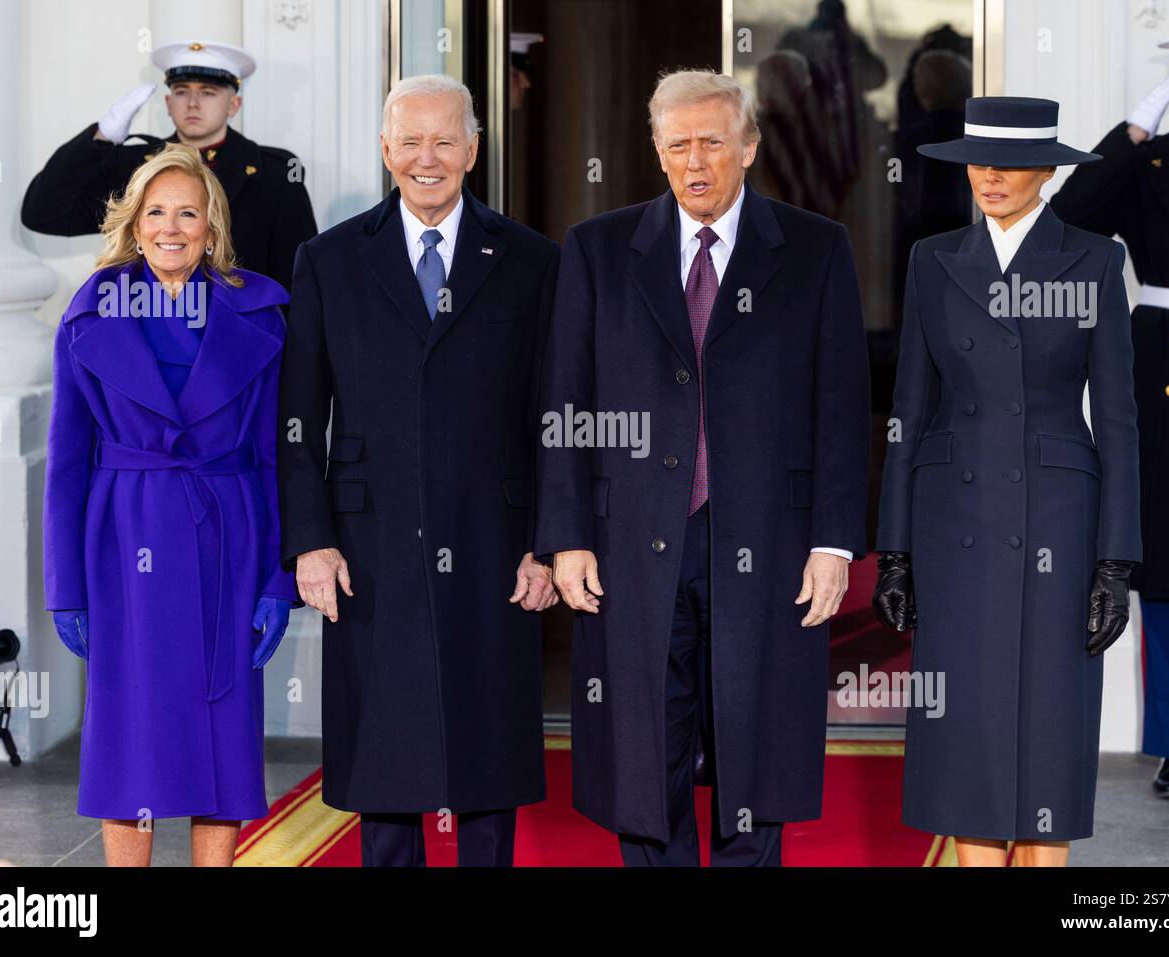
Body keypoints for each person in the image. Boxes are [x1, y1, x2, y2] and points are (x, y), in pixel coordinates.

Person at [535, 69, 870, 867]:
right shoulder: (598, 249)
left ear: (748, 148)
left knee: (758, 743)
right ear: (656, 151)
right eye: (678, 144)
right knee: (646, 752)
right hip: (632, 545)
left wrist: (833, 542)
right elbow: (564, 404)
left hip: (771, 545)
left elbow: (843, 410)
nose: (696, 161)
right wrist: (567, 536)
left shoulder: (816, 248)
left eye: (713, 142)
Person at [277, 75, 559, 867]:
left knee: (487, 750)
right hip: (369, 544)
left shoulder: (534, 261)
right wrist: (310, 540)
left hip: (495, 540)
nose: (426, 159)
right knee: (385, 758)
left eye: (444, 141)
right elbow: (296, 419)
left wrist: (549, 539)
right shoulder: (329, 260)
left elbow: (556, 417)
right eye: (409, 141)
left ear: (474, 149)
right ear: (384, 150)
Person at [873, 96, 1141, 867]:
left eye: (1009, 162)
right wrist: (893, 552)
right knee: (968, 740)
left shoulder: (1095, 259)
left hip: (1059, 523)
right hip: (951, 525)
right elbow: (909, 414)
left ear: (1048, 173)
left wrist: (1115, 561)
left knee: (1048, 732)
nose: (988, 175)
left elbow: (1118, 418)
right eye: (977, 161)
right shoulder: (933, 257)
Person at [43, 144, 299, 866]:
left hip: (230, 533)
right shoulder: (90, 312)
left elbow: (276, 457)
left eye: (189, 211)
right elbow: (66, 461)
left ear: (212, 227)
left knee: (223, 738)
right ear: (133, 222)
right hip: (124, 542)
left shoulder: (262, 312)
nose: (172, 226)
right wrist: (66, 587)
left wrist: (278, 578)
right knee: (132, 742)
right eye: (156, 211)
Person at [1052, 29, 1169, 799]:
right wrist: (1132, 133)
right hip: (1160, 375)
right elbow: (1072, 213)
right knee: (1161, 571)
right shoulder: (1154, 160)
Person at [21, 40, 316, 292]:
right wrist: (101, 138)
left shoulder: (274, 172)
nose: (193, 103)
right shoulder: (134, 167)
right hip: (150, 328)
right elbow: (43, 214)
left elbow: (299, 275)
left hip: (240, 336)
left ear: (233, 105)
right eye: (182, 91)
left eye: (208, 92)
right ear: (168, 102)